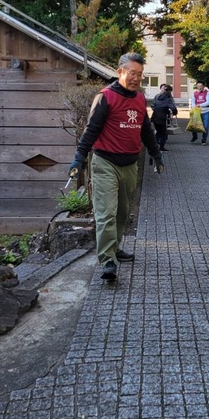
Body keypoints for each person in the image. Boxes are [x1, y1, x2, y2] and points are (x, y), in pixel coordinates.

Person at [68, 53, 164, 280]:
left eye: (140, 74)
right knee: (106, 213)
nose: (136, 78)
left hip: (130, 164)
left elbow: (146, 130)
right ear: (120, 72)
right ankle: (107, 260)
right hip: (105, 162)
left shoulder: (140, 99)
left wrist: (156, 155)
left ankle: (115, 248)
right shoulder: (106, 97)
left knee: (122, 212)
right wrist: (79, 157)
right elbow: (91, 130)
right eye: (132, 73)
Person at [150, 84, 178, 151]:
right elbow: (173, 108)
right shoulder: (168, 99)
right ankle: (161, 147)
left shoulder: (157, 97)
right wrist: (174, 112)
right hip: (162, 118)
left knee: (158, 131)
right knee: (163, 133)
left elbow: (153, 105)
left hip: (154, 116)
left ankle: (155, 146)